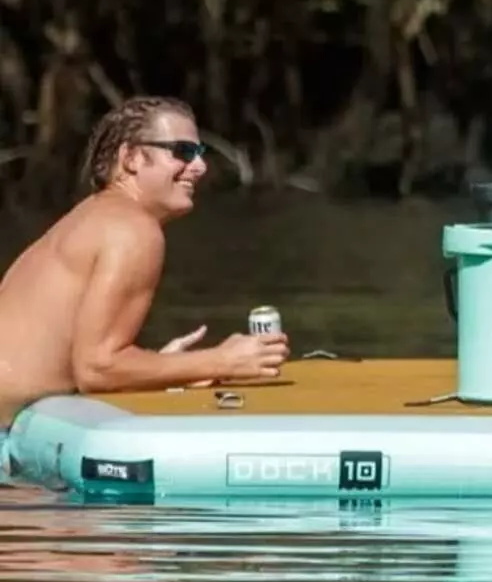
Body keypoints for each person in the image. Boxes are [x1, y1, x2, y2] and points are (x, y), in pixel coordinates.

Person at [0, 96, 289, 421]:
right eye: (183, 152)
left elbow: (81, 363)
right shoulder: (134, 230)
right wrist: (223, 360)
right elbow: (96, 369)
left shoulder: (90, 218)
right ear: (132, 157)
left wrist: (165, 367)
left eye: (200, 153)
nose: (200, 166)